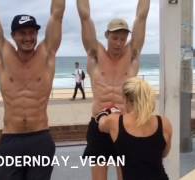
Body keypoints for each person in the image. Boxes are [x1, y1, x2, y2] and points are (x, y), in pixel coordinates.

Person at [0, 0, 65, 179]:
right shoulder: (2, 53)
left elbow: (57, 13)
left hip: (41, 139)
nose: (28, 37)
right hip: (11, 139)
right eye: (22, 33)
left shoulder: (47, 53)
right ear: (13, 35)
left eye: (32, 32)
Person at [76, 0, 150, 179]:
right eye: (115, 38)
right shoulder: (95, 54)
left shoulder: (132, 54)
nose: (119, 43)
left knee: (125, 175)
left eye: (123, 38)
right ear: (107, 35)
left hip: (125, 125)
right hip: (99, 127)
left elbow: (141, 17)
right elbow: (85, 17)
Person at [96, 77, 172, 180]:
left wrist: (105, 113)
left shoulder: (114, 122)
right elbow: (164, 153)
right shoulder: (164, 123)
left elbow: (101, 124)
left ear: (127, 99)